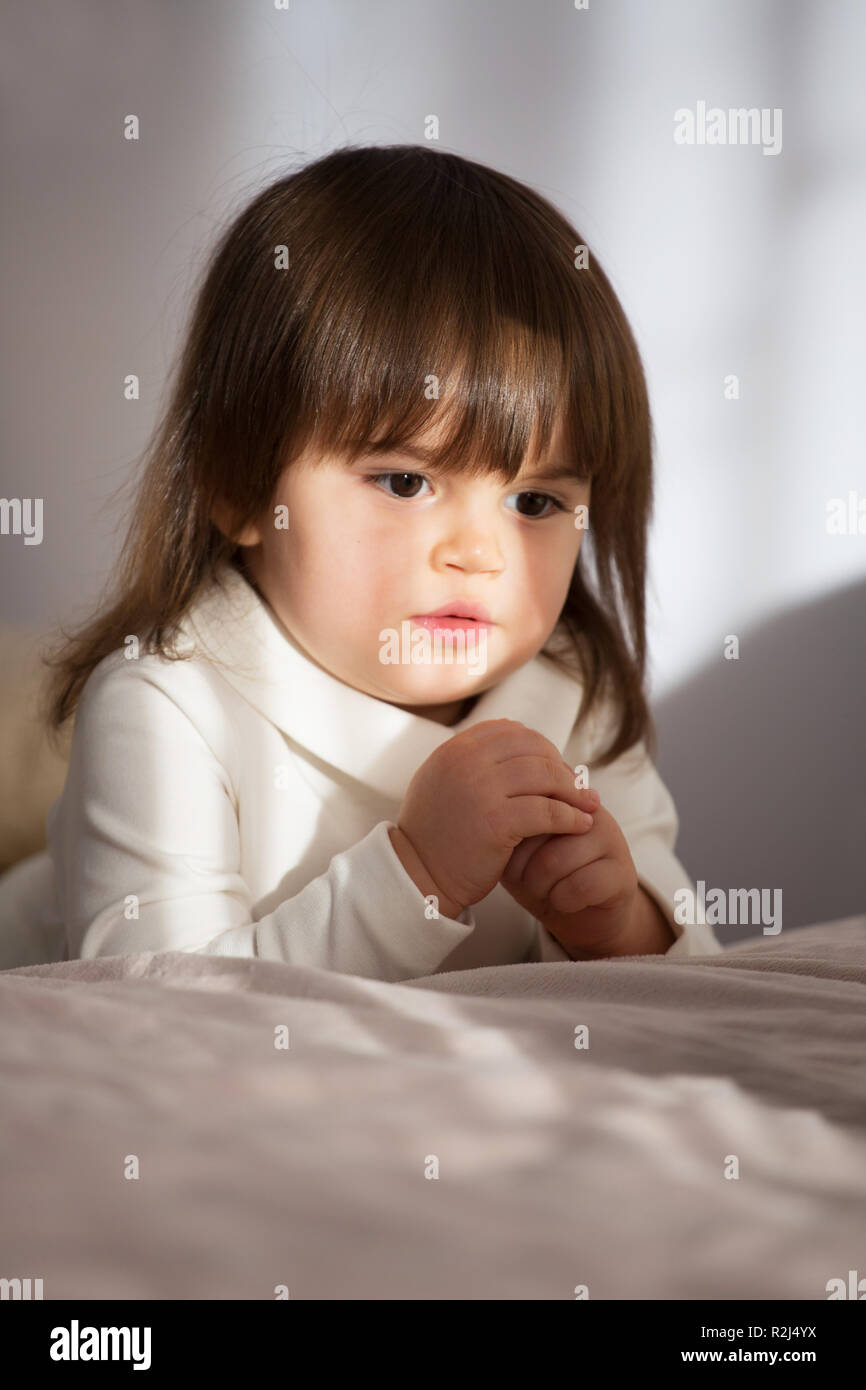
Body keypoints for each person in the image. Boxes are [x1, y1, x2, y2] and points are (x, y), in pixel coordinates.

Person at [0, 144, 723, 975]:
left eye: (534, 503)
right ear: (239, 488)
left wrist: (618, 923)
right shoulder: (169, 706)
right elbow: (162, 1017)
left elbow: (703, 979)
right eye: (407, 481)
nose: (479, 553)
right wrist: (417, 877)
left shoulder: (574, 694)